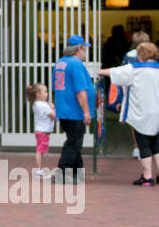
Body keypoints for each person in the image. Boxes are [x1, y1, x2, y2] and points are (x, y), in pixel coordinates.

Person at [98, 42, 159, 186]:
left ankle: (147, 176)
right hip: (157, 112)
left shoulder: (134, 69)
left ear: (141, 54)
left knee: (144, 145)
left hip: (141, 113)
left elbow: (114, 72)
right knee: (157, 145)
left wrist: (99, 71)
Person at [53, 35, 94, 176]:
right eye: (84, 48)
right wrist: (86, 112)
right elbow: (80, 91)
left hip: (64, 108)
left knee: (75, 141)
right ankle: (63, 173)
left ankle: (77, 173)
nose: (85, 52)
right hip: (74, 111)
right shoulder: (76, 64)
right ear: (79, 48)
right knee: (73, 143)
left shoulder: (60, 63)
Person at [26, 82, 55, 178]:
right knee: (39, 150)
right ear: (38, 94)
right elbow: (54, 116)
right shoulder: (43, 106)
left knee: (41, 150)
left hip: (41, 131)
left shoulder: (37, 104)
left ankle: (40, 169)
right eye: (45, 92)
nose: (47, 94)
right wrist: (53, 108)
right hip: (43, 131)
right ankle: (38, 171)